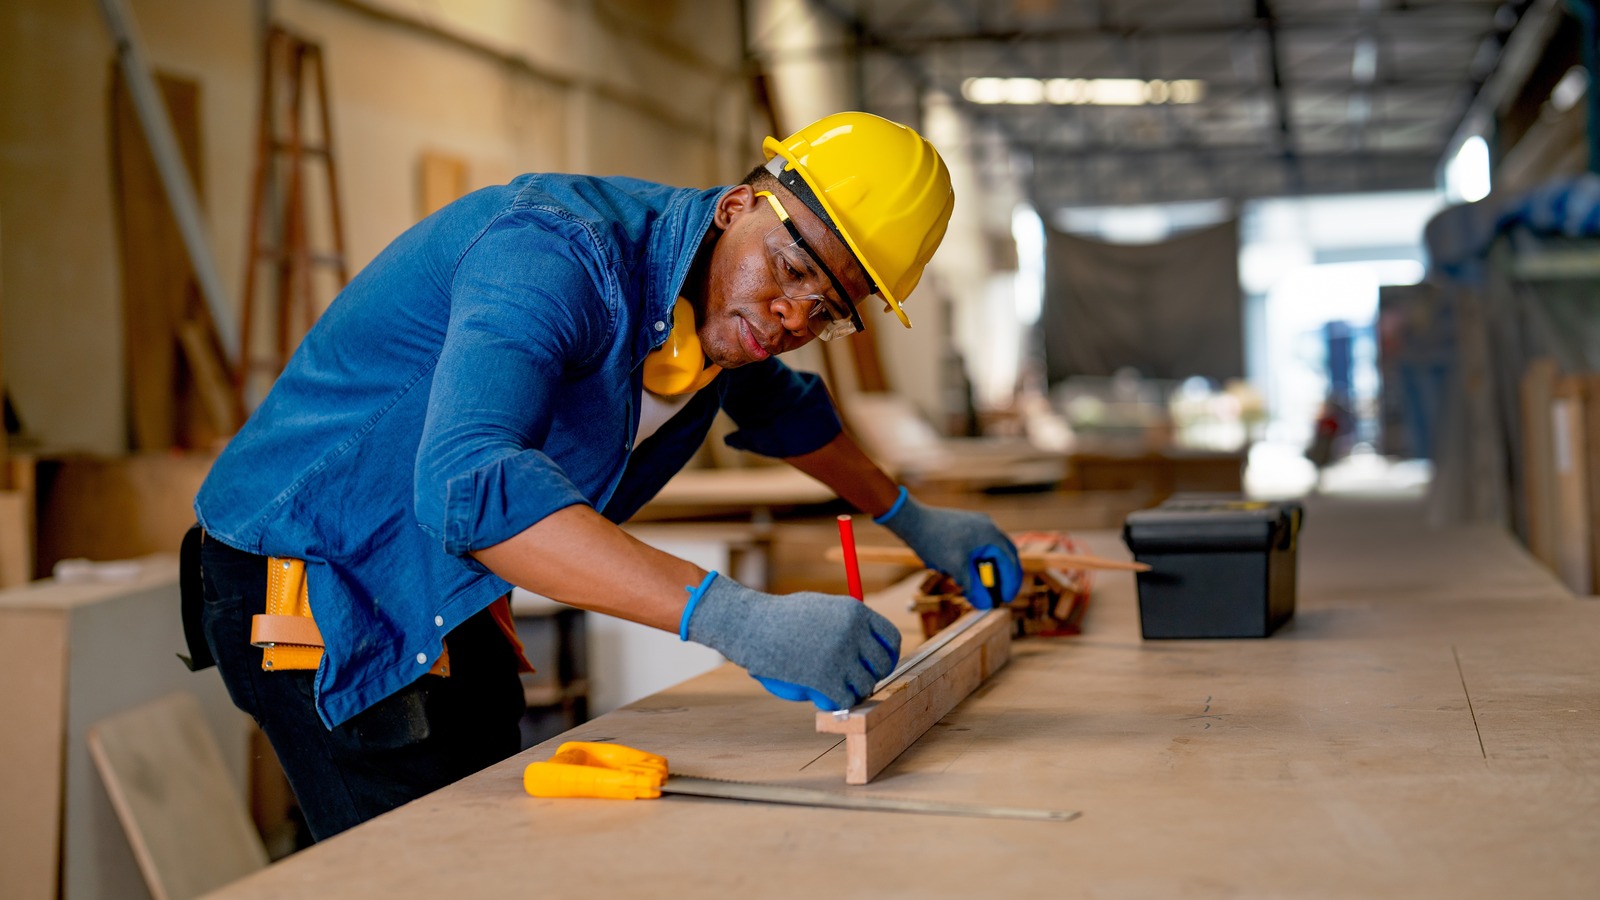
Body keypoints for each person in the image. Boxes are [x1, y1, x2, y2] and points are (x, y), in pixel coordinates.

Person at [184, 111, 1023, 840]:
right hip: (314, 568)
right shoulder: (553, 253)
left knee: (493, 825)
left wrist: (910, 517)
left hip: (442, 575)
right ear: (738, 205)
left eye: (829, 311)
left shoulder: (713, 304)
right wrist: (735, 618)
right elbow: (472, 483)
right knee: (417, 856)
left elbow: (784, 409)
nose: (793, 317)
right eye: (794, 269)